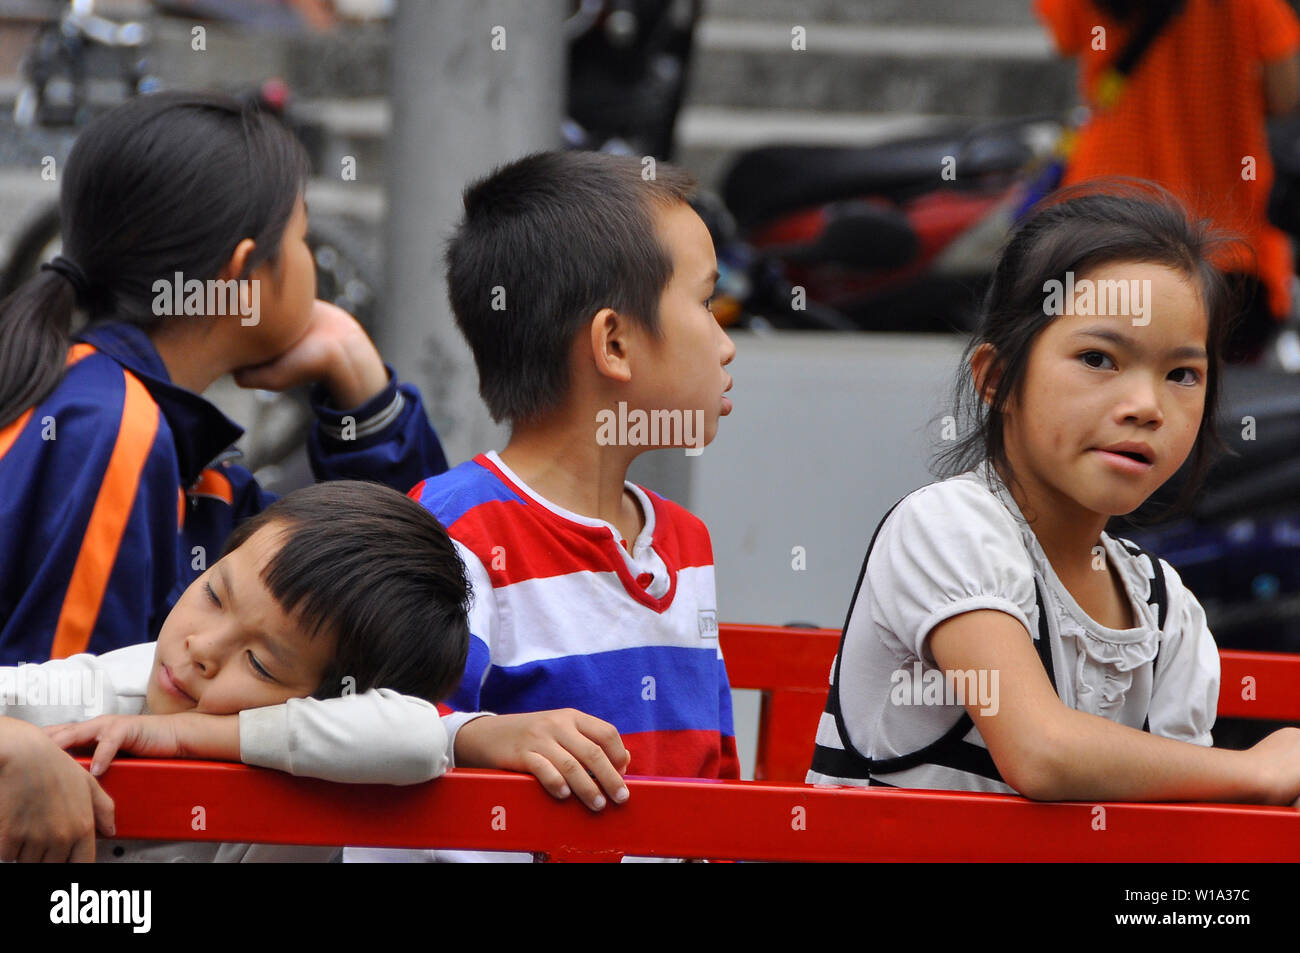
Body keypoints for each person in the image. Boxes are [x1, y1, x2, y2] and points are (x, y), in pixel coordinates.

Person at [808, 182, 1300, 807]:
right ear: (997, 378)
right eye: (1098, 358)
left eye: (1182, 374)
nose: (1146, 406)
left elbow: (1176, 828)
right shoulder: (947, 527)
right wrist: (1259, 771)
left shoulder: (1167, 608)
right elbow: (1038, 752)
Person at [349, 150, 739, 862]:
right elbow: (385, 728)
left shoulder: (687, 543)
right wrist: (478, 738)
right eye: (706, 304)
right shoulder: (455, 530)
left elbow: (714, 793)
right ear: (614, 342)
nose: (727, 344)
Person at [0, 90, 448, 665]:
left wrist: (361, 387)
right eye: (301, 237)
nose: (310, 263)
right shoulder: (111, 429)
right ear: (243, 275)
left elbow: (398, 586)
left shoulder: (135, 428)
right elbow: (59, 718)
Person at [0, 482, 630, 862]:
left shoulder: (324, 757)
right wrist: (15, 747)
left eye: (259, 661)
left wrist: (461, 736)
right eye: (215, 593)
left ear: (332, 700)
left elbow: (410, 736)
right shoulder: (102, 694)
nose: (201, 648)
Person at [1034, 0, 1300, 360]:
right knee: (1213, 388)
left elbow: (1064, 38)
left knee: (1107, 372)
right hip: (1224, 234)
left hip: (1106, 216)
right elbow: (1285, 93)